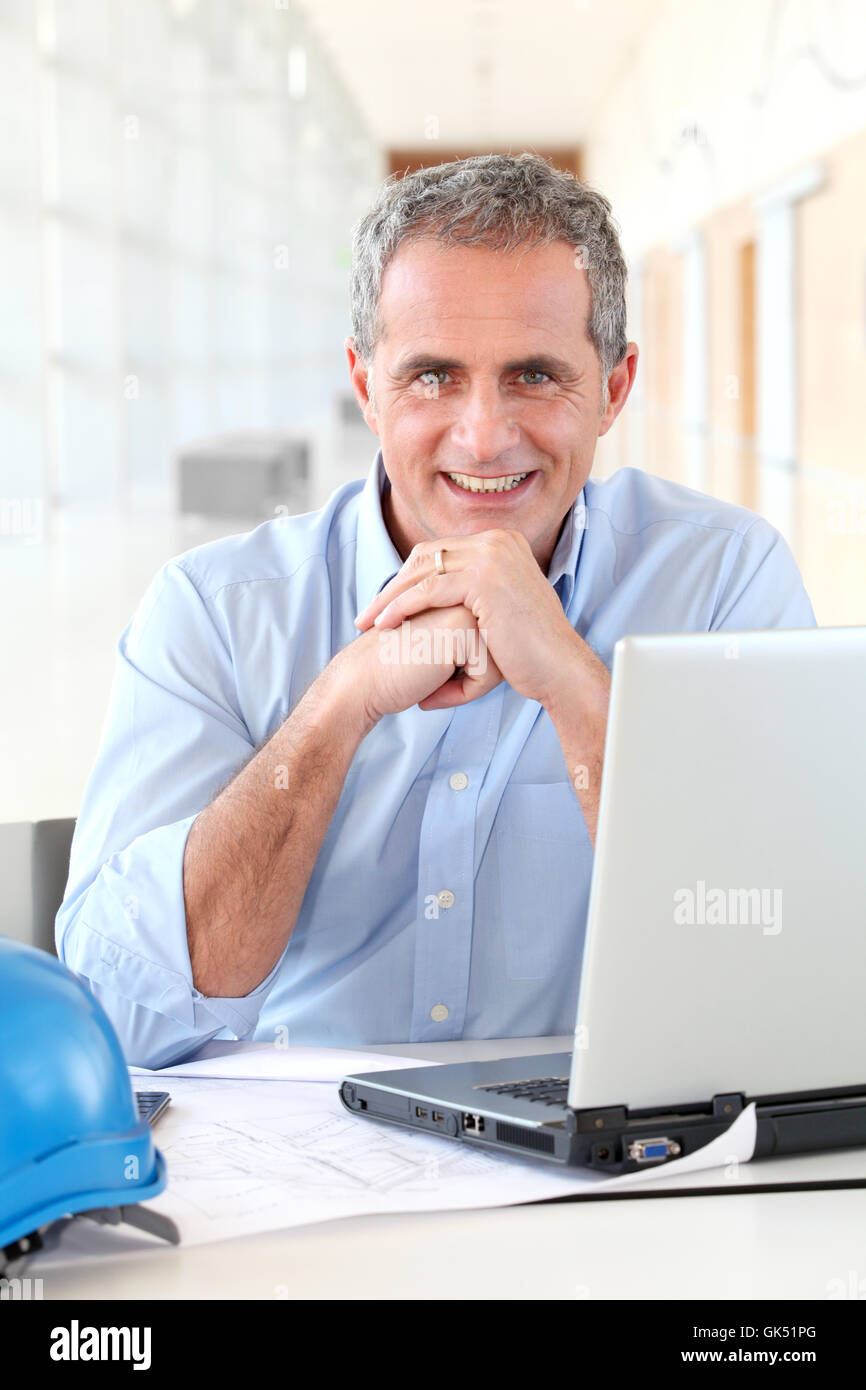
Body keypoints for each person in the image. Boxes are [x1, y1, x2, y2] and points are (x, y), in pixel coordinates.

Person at [56, 154, 815, 1068]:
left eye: (534, 375)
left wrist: (578, 687)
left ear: (614, 388)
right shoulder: (216, 614)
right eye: (431, 378)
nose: (485, 434)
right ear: (365, 385)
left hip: (605, 1163)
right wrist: (337, 709)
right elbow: (119, 1015)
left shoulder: (725, 580)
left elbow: (776, 963)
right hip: (296, 1160)